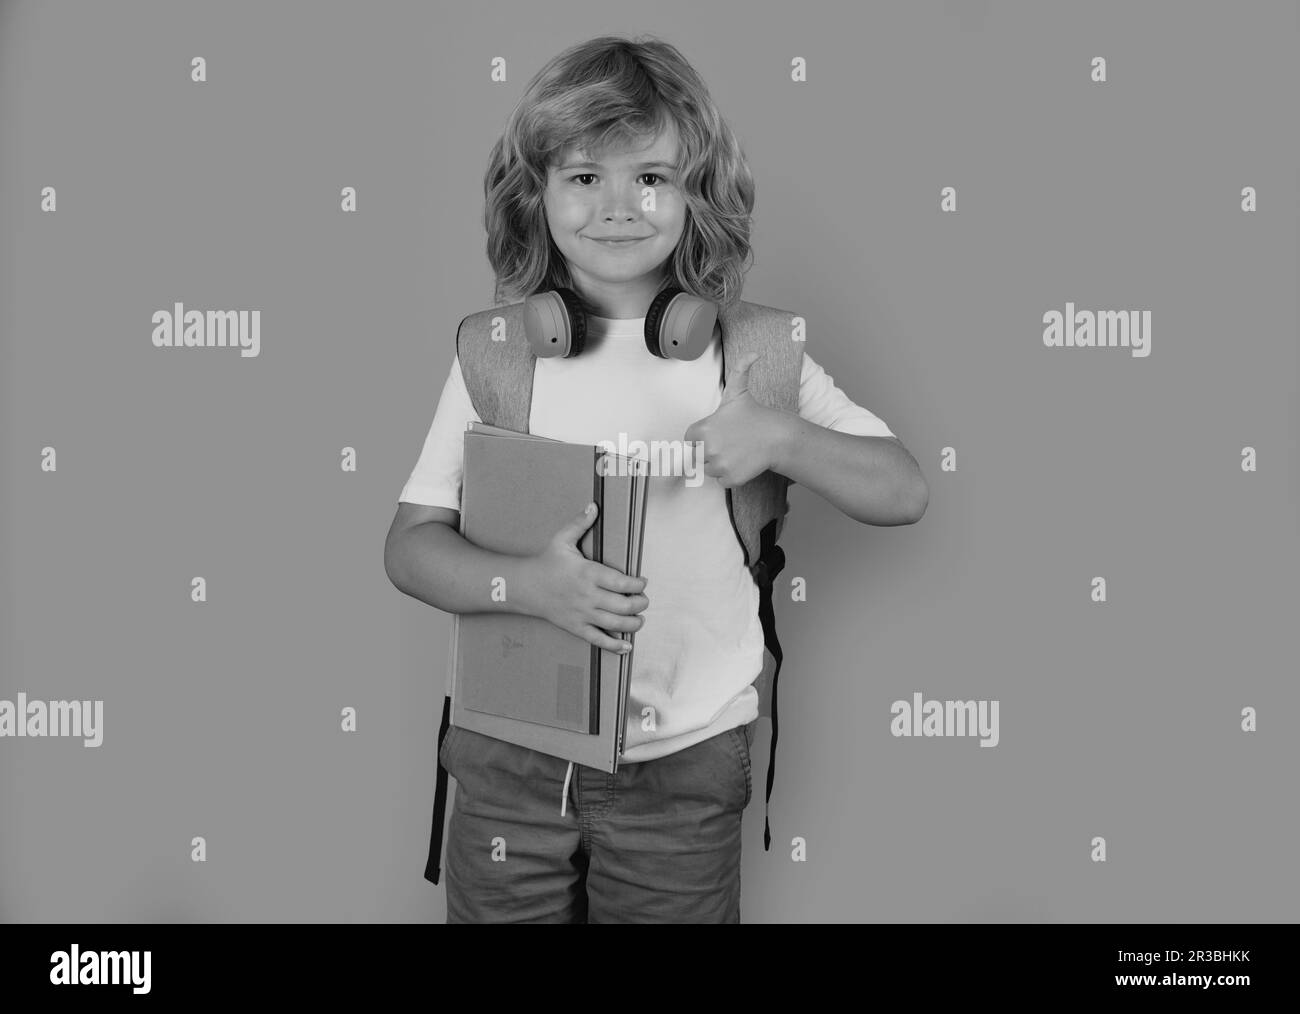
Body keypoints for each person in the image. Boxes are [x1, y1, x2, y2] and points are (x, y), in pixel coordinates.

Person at [384, 34, 928, 923]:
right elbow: (408, 549)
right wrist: (526, 587)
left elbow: (905, 492)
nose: (618, 207)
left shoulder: (753, 356)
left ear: (697, 192)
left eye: (652, 176)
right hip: (512, 764)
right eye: (583, 176)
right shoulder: (497, 356)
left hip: (684, 770)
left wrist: (783, 440)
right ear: (538, 195)